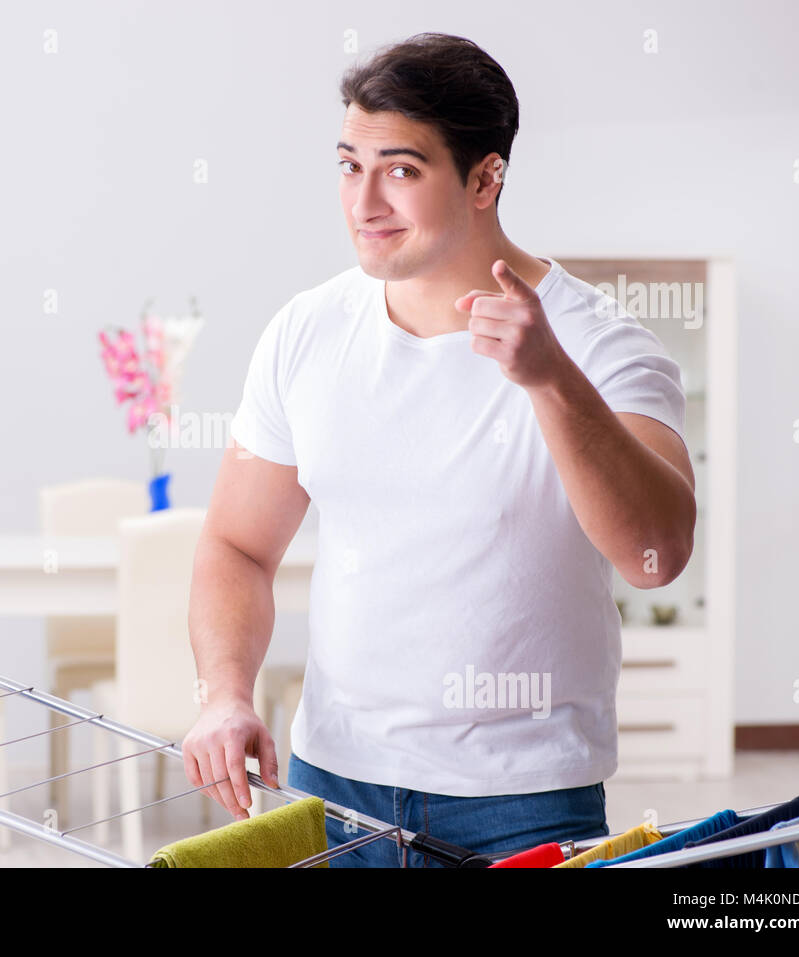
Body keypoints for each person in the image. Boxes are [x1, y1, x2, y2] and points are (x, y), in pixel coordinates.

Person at [180, 32, 697, 867]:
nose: (365, 201)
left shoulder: (599, 346)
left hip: (525, 803)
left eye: (402, 170)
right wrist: (224, 693)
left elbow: (657, 554)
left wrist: (550, 380)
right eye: (350, 165)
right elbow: (238, 543)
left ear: (486, 178)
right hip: (330, 788)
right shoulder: (307, 331)